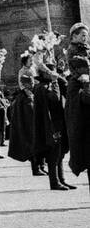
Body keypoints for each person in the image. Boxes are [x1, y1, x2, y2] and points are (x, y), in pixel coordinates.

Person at [32, 62, 73, 190]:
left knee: (59, 153)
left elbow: (66, 89)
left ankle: (61, 179)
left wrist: (58, 80)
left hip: (57, 123)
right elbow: (55, 98)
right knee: (53, 154)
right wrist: (55, 82)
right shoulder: (42, 87)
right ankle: (54, 182)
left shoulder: (48, 85)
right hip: (50, 125)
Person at [7, 70, 39, 174]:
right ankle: (36, 169)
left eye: (32, 82)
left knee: (37, 147)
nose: (32, 84)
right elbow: (25, 112)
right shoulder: (22, 97)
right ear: (25, 84)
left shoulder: (31, 94)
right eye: (30, 83)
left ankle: (40, 167)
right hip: (27, 126)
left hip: (33, 124)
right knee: (32, 147)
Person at [65, 55, 90, 187]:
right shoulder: (75, 83)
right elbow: (86, 99)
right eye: (85, 67)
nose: (88, 69)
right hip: (84, 130)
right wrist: (86, 85)